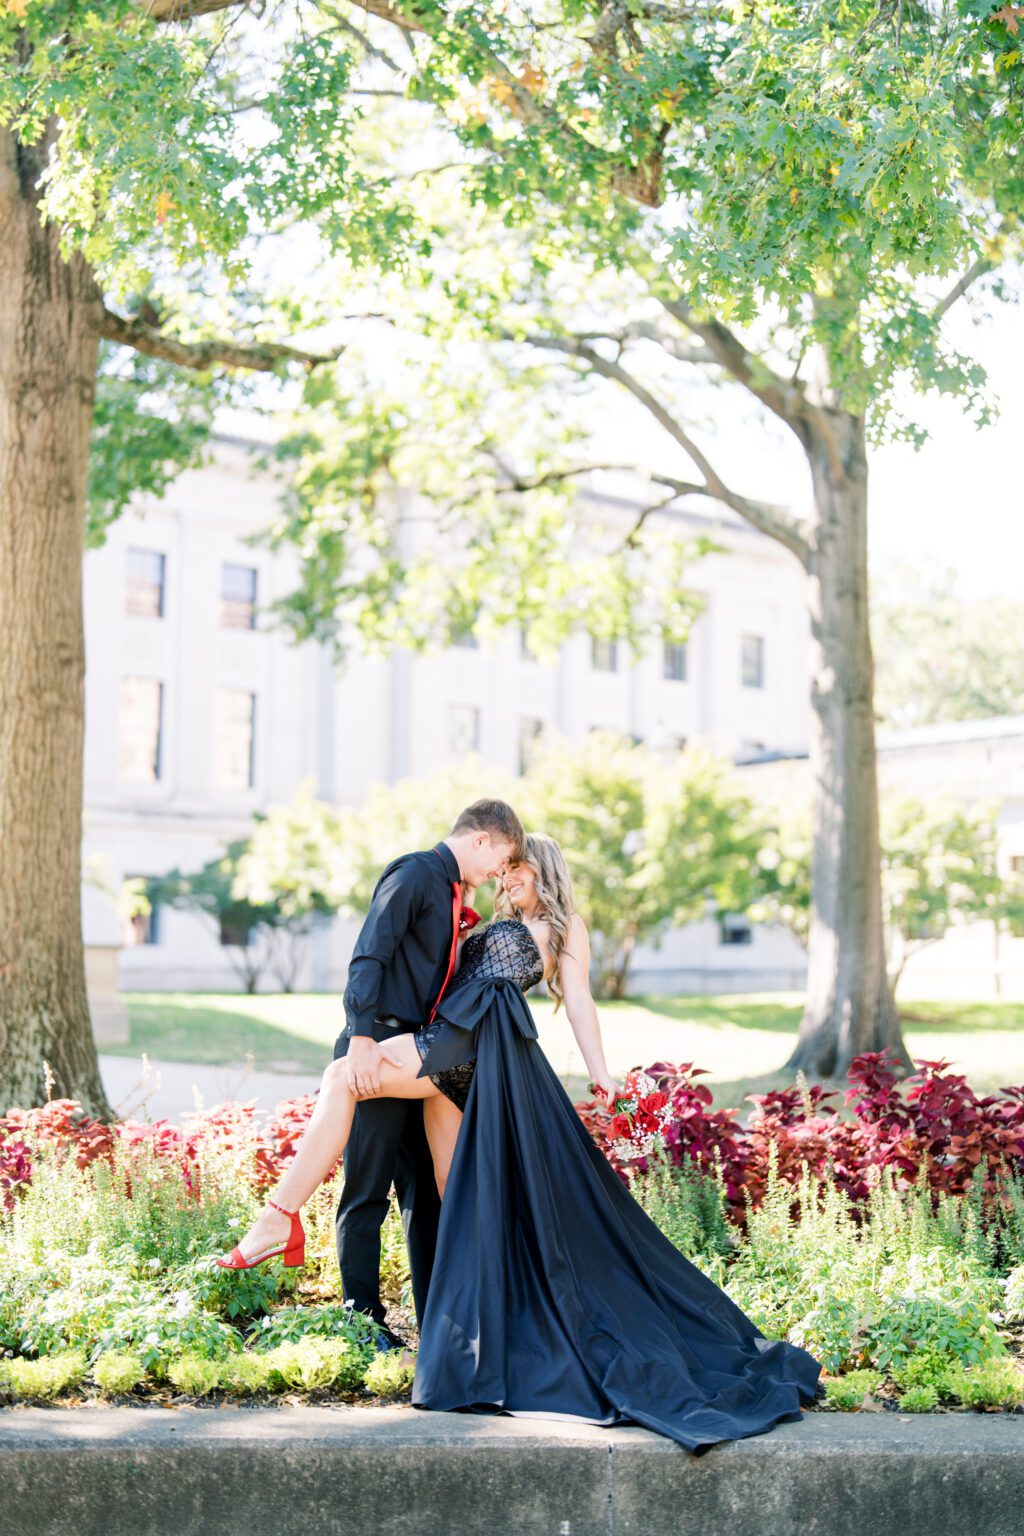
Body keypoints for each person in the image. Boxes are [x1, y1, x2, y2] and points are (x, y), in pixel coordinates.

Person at [219, 832, 823, 1453]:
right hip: (452, 1057)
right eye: (503, 868)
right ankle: (477, 1344)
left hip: (470, 1051)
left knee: (342, 1075)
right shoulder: (493, 920)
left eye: (517, 868)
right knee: (460, 1205)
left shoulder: (567, 927)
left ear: (543, 869)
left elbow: (580, 999)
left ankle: (278, 1217)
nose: (507, 878)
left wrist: (601, 1075)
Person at [218, 797, 524, 1353]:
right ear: (482, 839)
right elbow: (369, 955)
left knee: (421, 1195)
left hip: (417, 1057)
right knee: (366, 1192)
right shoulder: (414, 873)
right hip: (376, 1046)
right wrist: (360, 1037)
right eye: (500, 860)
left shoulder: (456, 892)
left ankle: (436, 1321)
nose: (498, 873)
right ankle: (363, 1322)